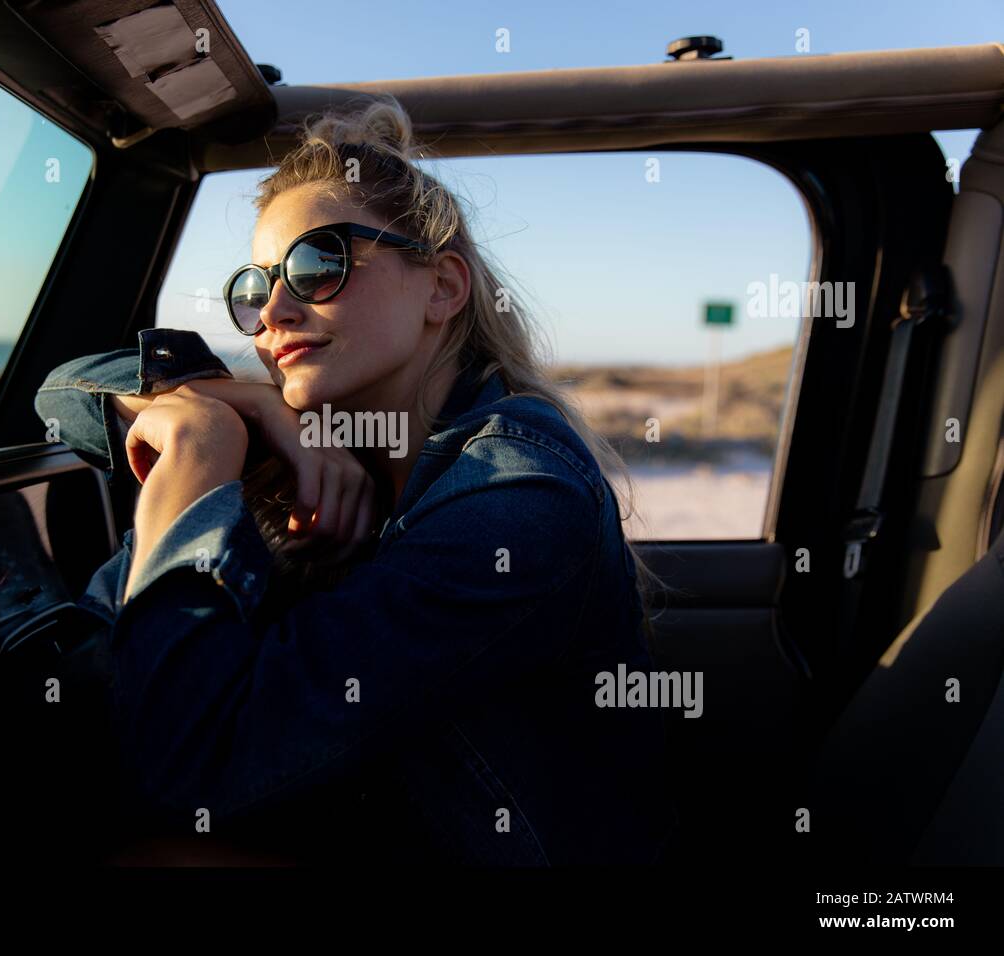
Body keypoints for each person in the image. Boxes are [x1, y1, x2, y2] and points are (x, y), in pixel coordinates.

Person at [34, 96, 674, 865]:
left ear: (442, 287)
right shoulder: (330, 440)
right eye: (252, 287)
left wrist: (201, 449)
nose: (271, 311)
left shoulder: (519, 500)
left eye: (317, 264)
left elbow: (191, 764)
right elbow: (61, 395)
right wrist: (239, 402)